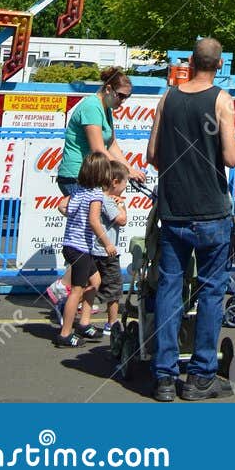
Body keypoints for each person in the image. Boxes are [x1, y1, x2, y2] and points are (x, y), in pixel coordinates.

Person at [147, 37, 235, 403]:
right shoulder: (221, 100)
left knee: (170, 290)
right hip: (211, 208)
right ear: (218, 66)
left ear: (189, 61)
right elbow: (231, 157)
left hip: (175, 208)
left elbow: (153, 153)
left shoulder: (168, 98)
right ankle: (200, 375)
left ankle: (165, 376)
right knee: (212, 290)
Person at [49, 66, 136, 316]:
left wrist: (130, 169)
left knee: (88, 241)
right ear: (108, 89)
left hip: (90, 177)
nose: (123, 101)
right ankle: (65, 290)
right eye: (121, 95)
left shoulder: (106, 110)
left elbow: (113, 145)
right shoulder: (91, 106)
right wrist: (123, 170)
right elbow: (99, 150)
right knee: (85, 239)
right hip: (78, 175)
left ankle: (76, 292)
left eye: (127, 97)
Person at [56, 154, 114, 348]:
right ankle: (65, 333)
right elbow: (94, 221)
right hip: (80, 248)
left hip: (72, 246)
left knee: (95, 281)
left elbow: (63, 206)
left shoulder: (79, 191)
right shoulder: (96, 194)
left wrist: (72, 217)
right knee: (76, 291)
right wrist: (107, 243)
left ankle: (84, 322)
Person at [75, 162, 129, 339]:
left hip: (94, 250)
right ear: (114, 182)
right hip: (107, 253)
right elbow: (121, 220)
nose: (125, 187)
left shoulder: (97, 197)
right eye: (125, 183)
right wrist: (122, 206)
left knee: (92, 285)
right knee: (114, 290)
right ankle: (111, 323)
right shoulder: (107, 200)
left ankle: (83, 316)